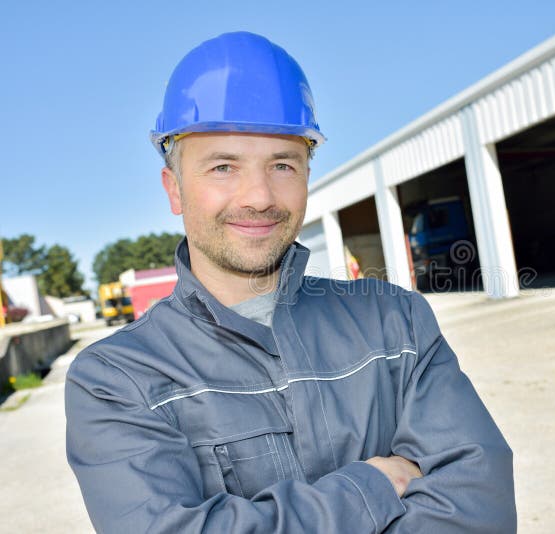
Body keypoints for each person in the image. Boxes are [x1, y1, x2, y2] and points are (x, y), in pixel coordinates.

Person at [65, 31, 516, 533]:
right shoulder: (117, 380)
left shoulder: (396, 322)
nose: (259, 196)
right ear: (175, 188)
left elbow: (479, 507)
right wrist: (369, 487)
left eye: (282, 164)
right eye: (222, 166)